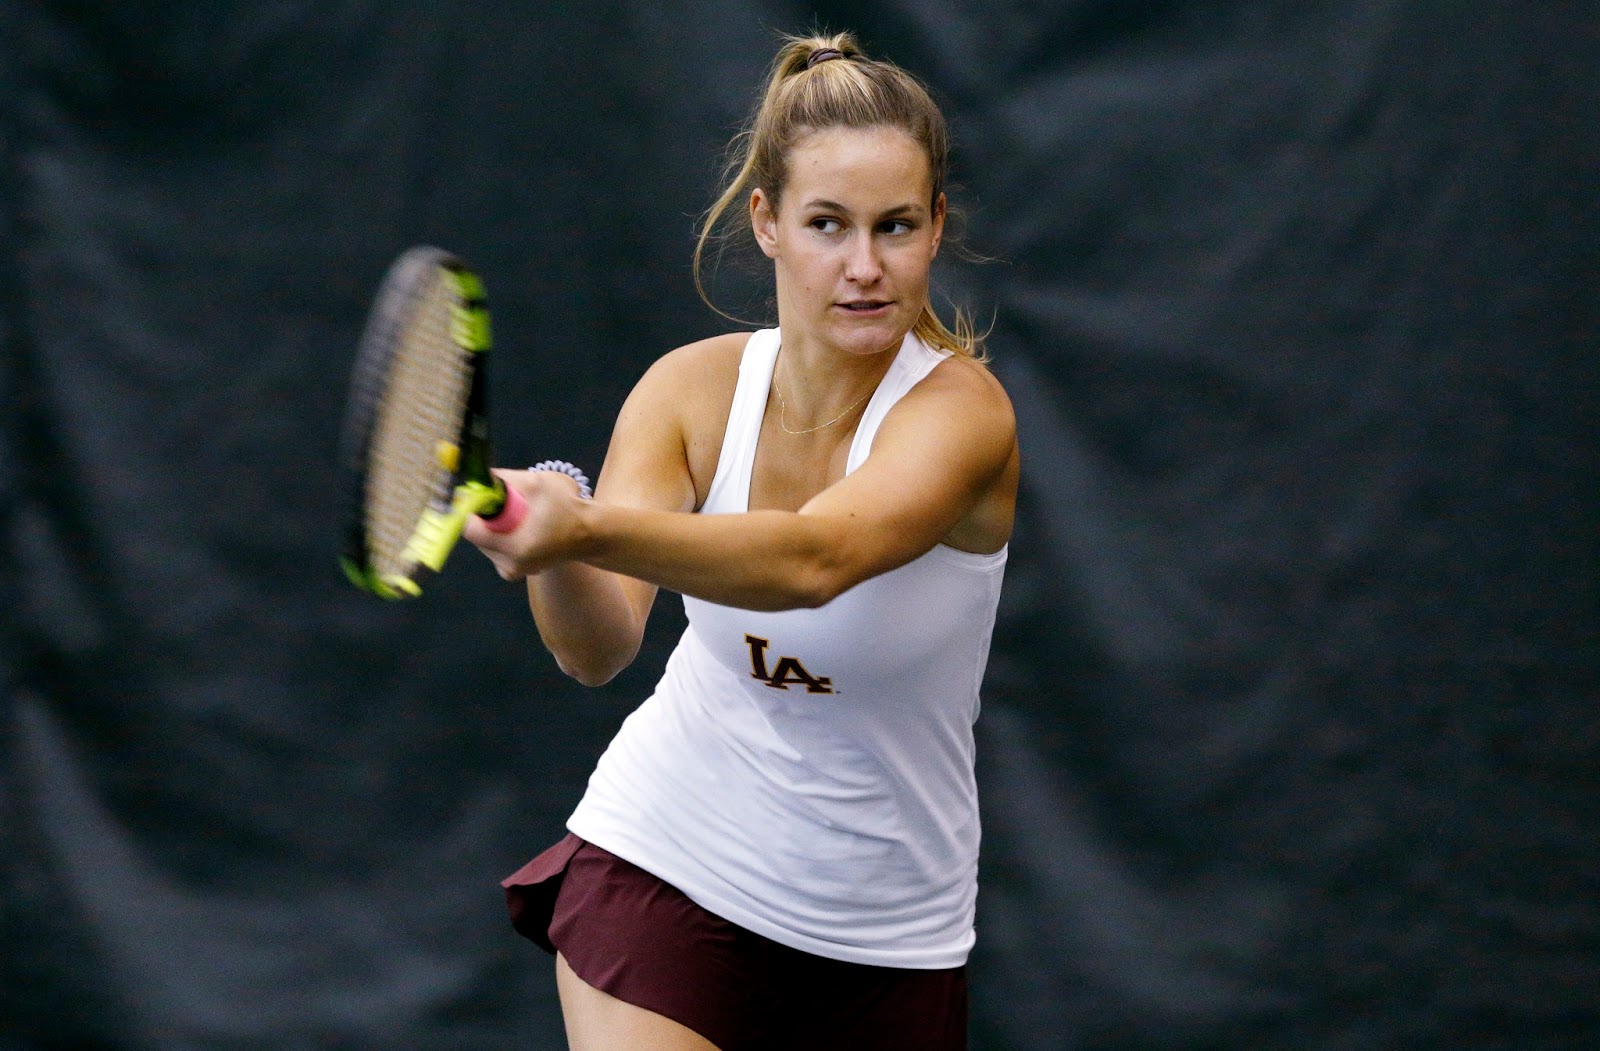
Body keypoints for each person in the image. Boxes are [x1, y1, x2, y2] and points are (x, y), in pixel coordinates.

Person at [464, 30, 1018, 1051]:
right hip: (669, 859)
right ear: (766, 223)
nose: (863, 266)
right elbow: (597, 649)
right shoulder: (688, 391)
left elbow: (814, 561)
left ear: (937, 226)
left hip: (890, 935)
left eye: (895, 226)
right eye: (827, 224)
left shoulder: (963, 416)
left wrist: (585, 522)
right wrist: (555, 552)